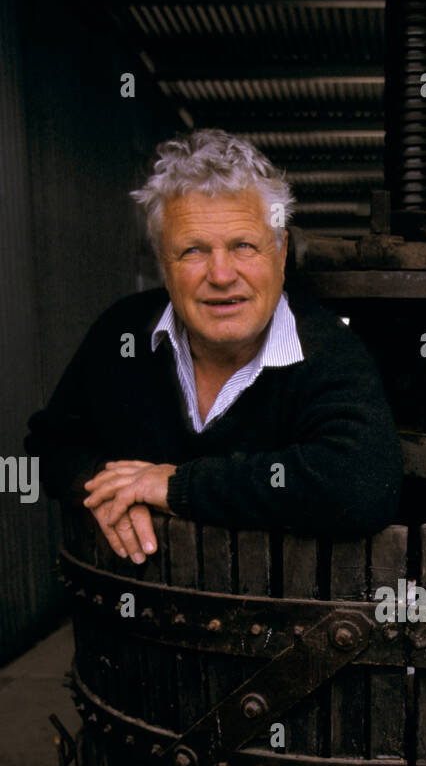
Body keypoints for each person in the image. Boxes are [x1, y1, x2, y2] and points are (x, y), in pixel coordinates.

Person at [24, 129, 403, 562]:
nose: (222, 275)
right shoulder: (122, 335)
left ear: (280, 256)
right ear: (164, 266)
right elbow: (47, 448)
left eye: (244, 246)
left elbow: (361, 483)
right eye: (193, 251)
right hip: (131, 620)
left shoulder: (329, 350)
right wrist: (107, 487)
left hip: (278, 623)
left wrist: (176, 486)